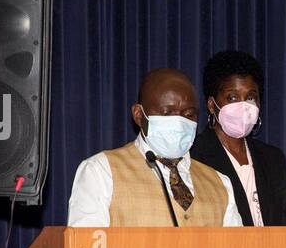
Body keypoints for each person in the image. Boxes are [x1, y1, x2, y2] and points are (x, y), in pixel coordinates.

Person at [68, 67, 241, 227]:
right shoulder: (100, 171)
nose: (180, 122)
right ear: (138, 115)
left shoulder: (220, 183)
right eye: (167, 112)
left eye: (189, 114)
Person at [190, 50, 286, 226]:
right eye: (232, 97)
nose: (243, 105)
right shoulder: (194, 158)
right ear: (212, 105)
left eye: (250, 97)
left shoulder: (273, 159)